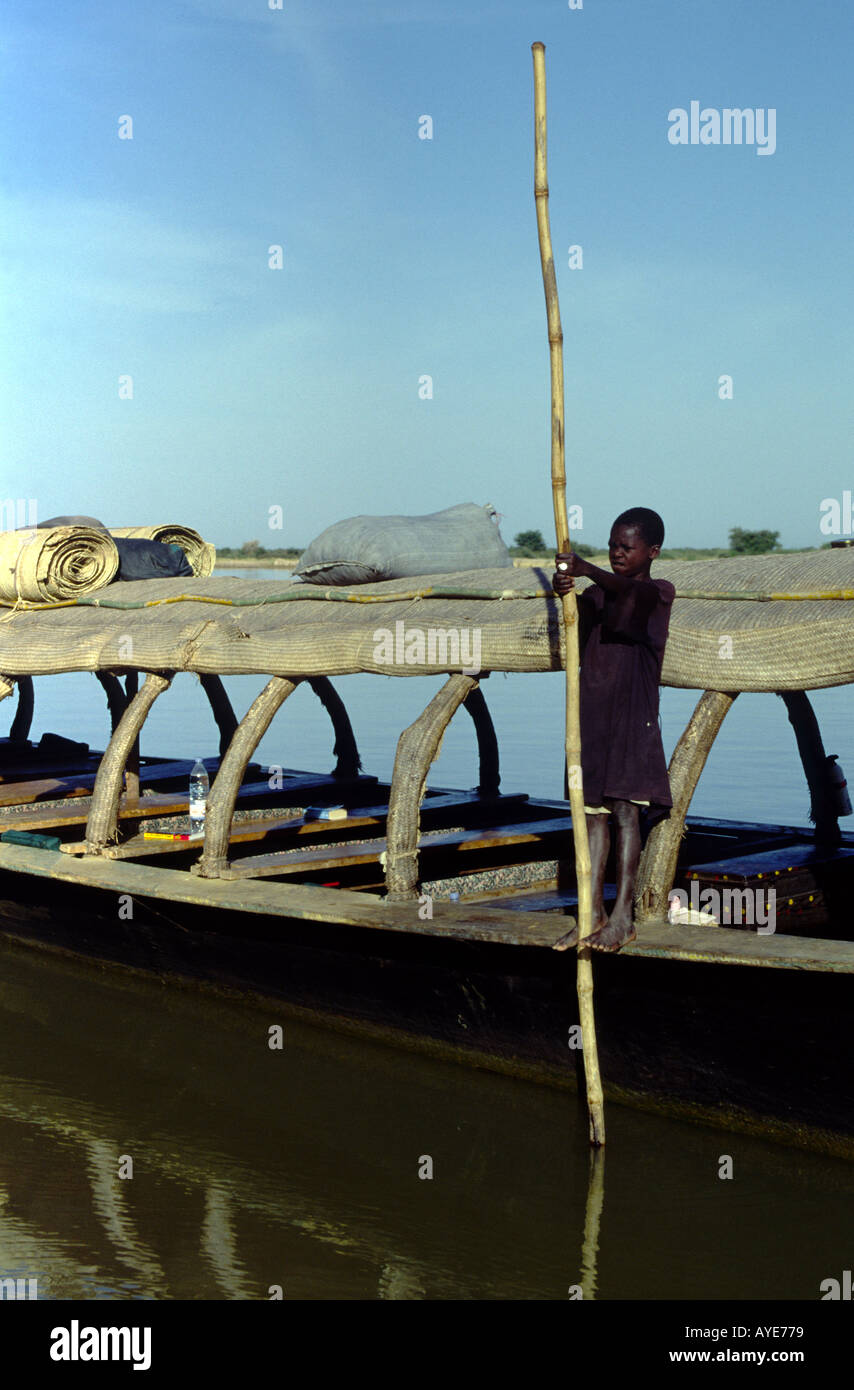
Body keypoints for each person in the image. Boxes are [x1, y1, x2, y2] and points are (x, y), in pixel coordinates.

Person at [552, 507, 674, 952]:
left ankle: (624, 917)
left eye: (627, 547)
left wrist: (587, 569)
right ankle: (592, 913)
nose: (617, 553)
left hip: (632, 714)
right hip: (593, 716)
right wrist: (565, 589)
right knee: (591, 814)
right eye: (612, 546)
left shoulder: (658, 593)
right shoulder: (597, 596)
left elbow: (629, 602)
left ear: (652, 552)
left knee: (626, 810)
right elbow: (577, 624)